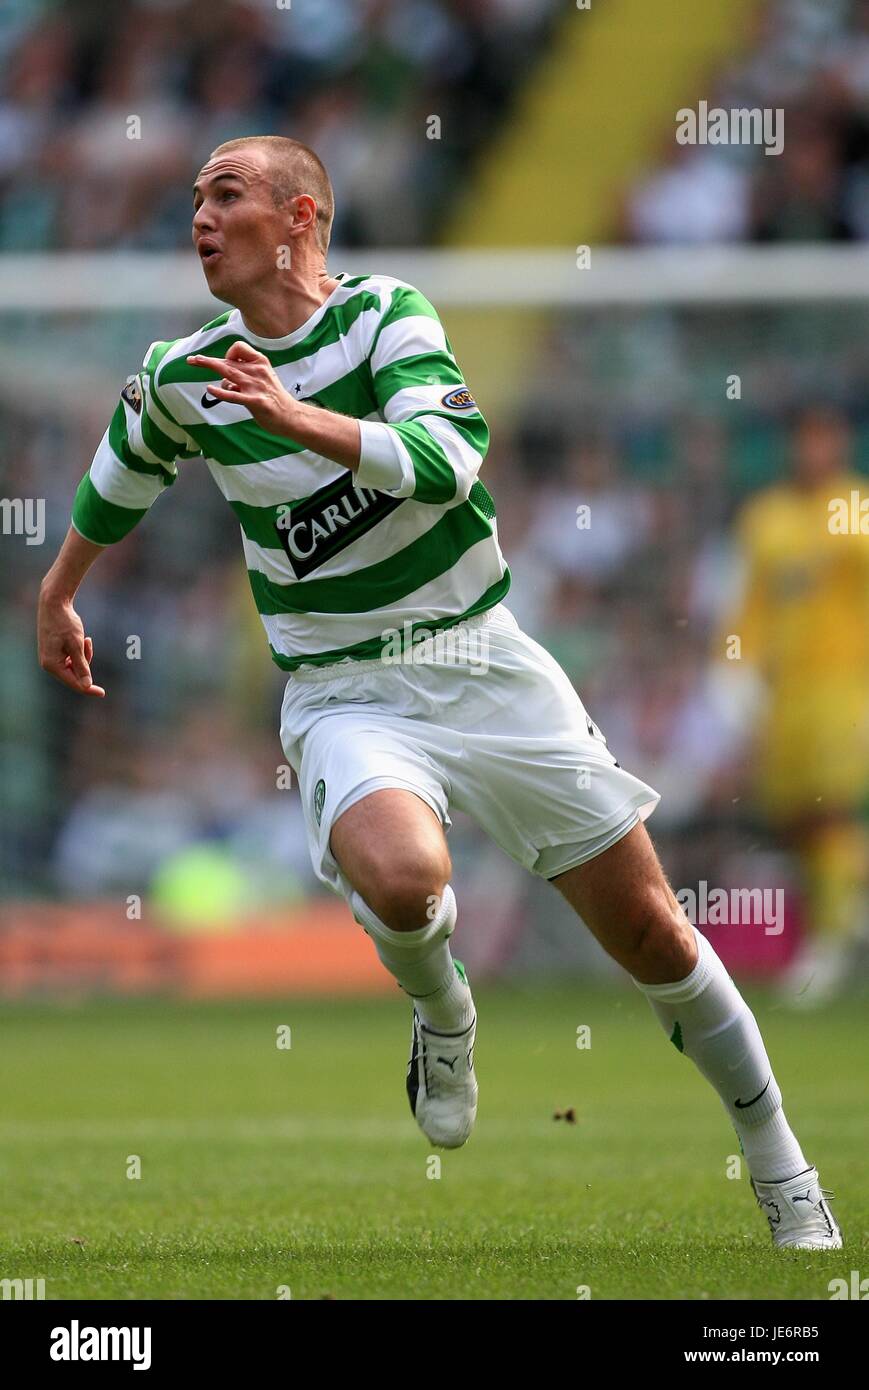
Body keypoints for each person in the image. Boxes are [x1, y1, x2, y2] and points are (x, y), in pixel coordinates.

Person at [37, 136, 840, 1250]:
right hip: (344, 690)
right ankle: (442, 1008)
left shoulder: (384, 317)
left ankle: (780, 1165)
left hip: (481, 660)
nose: (200, 220)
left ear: (300, 214)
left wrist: (295, 419)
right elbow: (124, 462)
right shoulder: (188, 371)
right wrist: (58, 589)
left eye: (226, 196)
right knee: (408, 881)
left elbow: (445, 459)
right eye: (193, 201)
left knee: (653, 931)